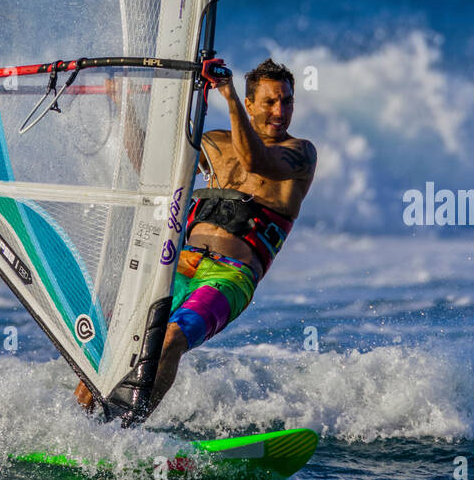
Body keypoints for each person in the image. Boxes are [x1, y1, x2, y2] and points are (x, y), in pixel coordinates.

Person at [74, 57, 316, 421]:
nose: (280, 110)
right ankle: (76, 424)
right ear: (252, 105)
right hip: (180, 263)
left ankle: (126, 433)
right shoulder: (215, 144)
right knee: (113, 333)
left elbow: (255, 162)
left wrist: (226, 93)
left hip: (229, 277)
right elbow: (150, 165)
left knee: (170, 339)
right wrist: (122, 102)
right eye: (270, 101)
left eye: (287, 101)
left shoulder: (300, 154)